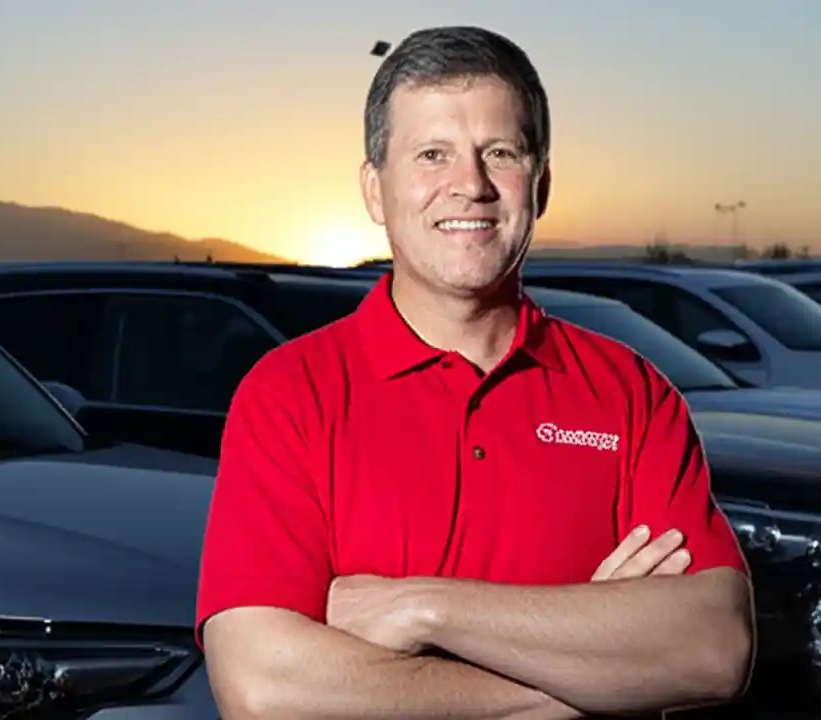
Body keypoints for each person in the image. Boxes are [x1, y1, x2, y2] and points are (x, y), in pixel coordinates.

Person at [196, 25, 754, 719]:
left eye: (500, 153)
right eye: (432, 155)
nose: (471, 185)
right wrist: (588, 679)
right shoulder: (290, 395)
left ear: (540, 184)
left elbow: (712, 647)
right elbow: (264, 689)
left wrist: (421, 608)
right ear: (375, 190)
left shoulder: (631, 394)